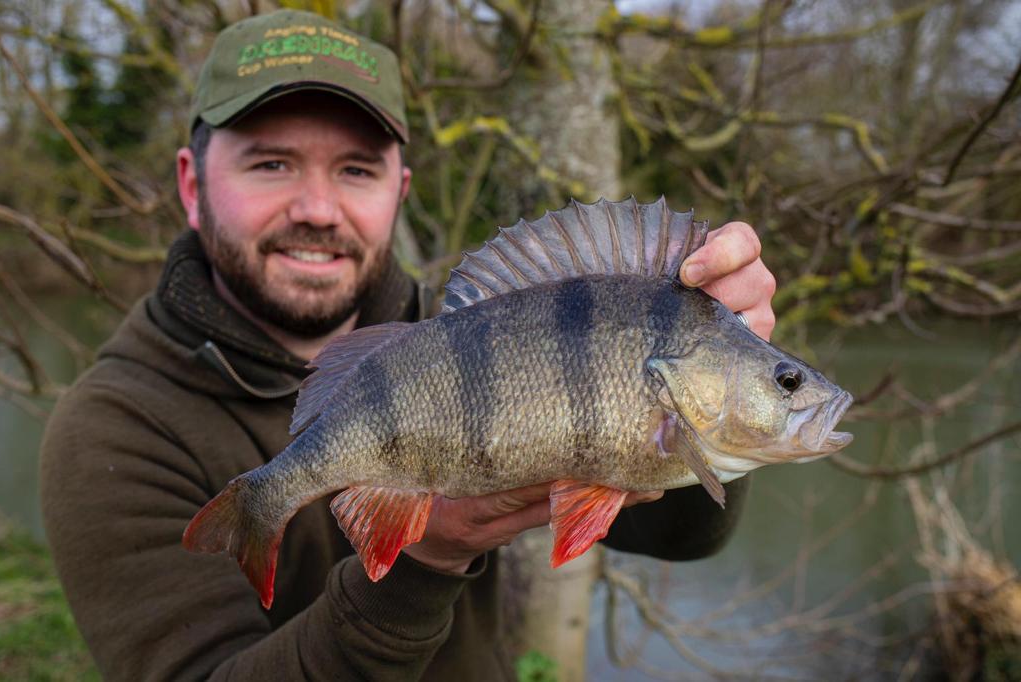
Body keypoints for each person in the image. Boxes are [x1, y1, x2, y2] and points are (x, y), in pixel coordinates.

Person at [40, 9, 777, 681]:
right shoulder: (112, 428)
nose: (318, 209)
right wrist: (430, 556)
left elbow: (681, 537)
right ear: (192, 185)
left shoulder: (478, 326)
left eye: (356, 169)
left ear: (400, 188)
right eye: (271, 163)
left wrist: (723, 378)